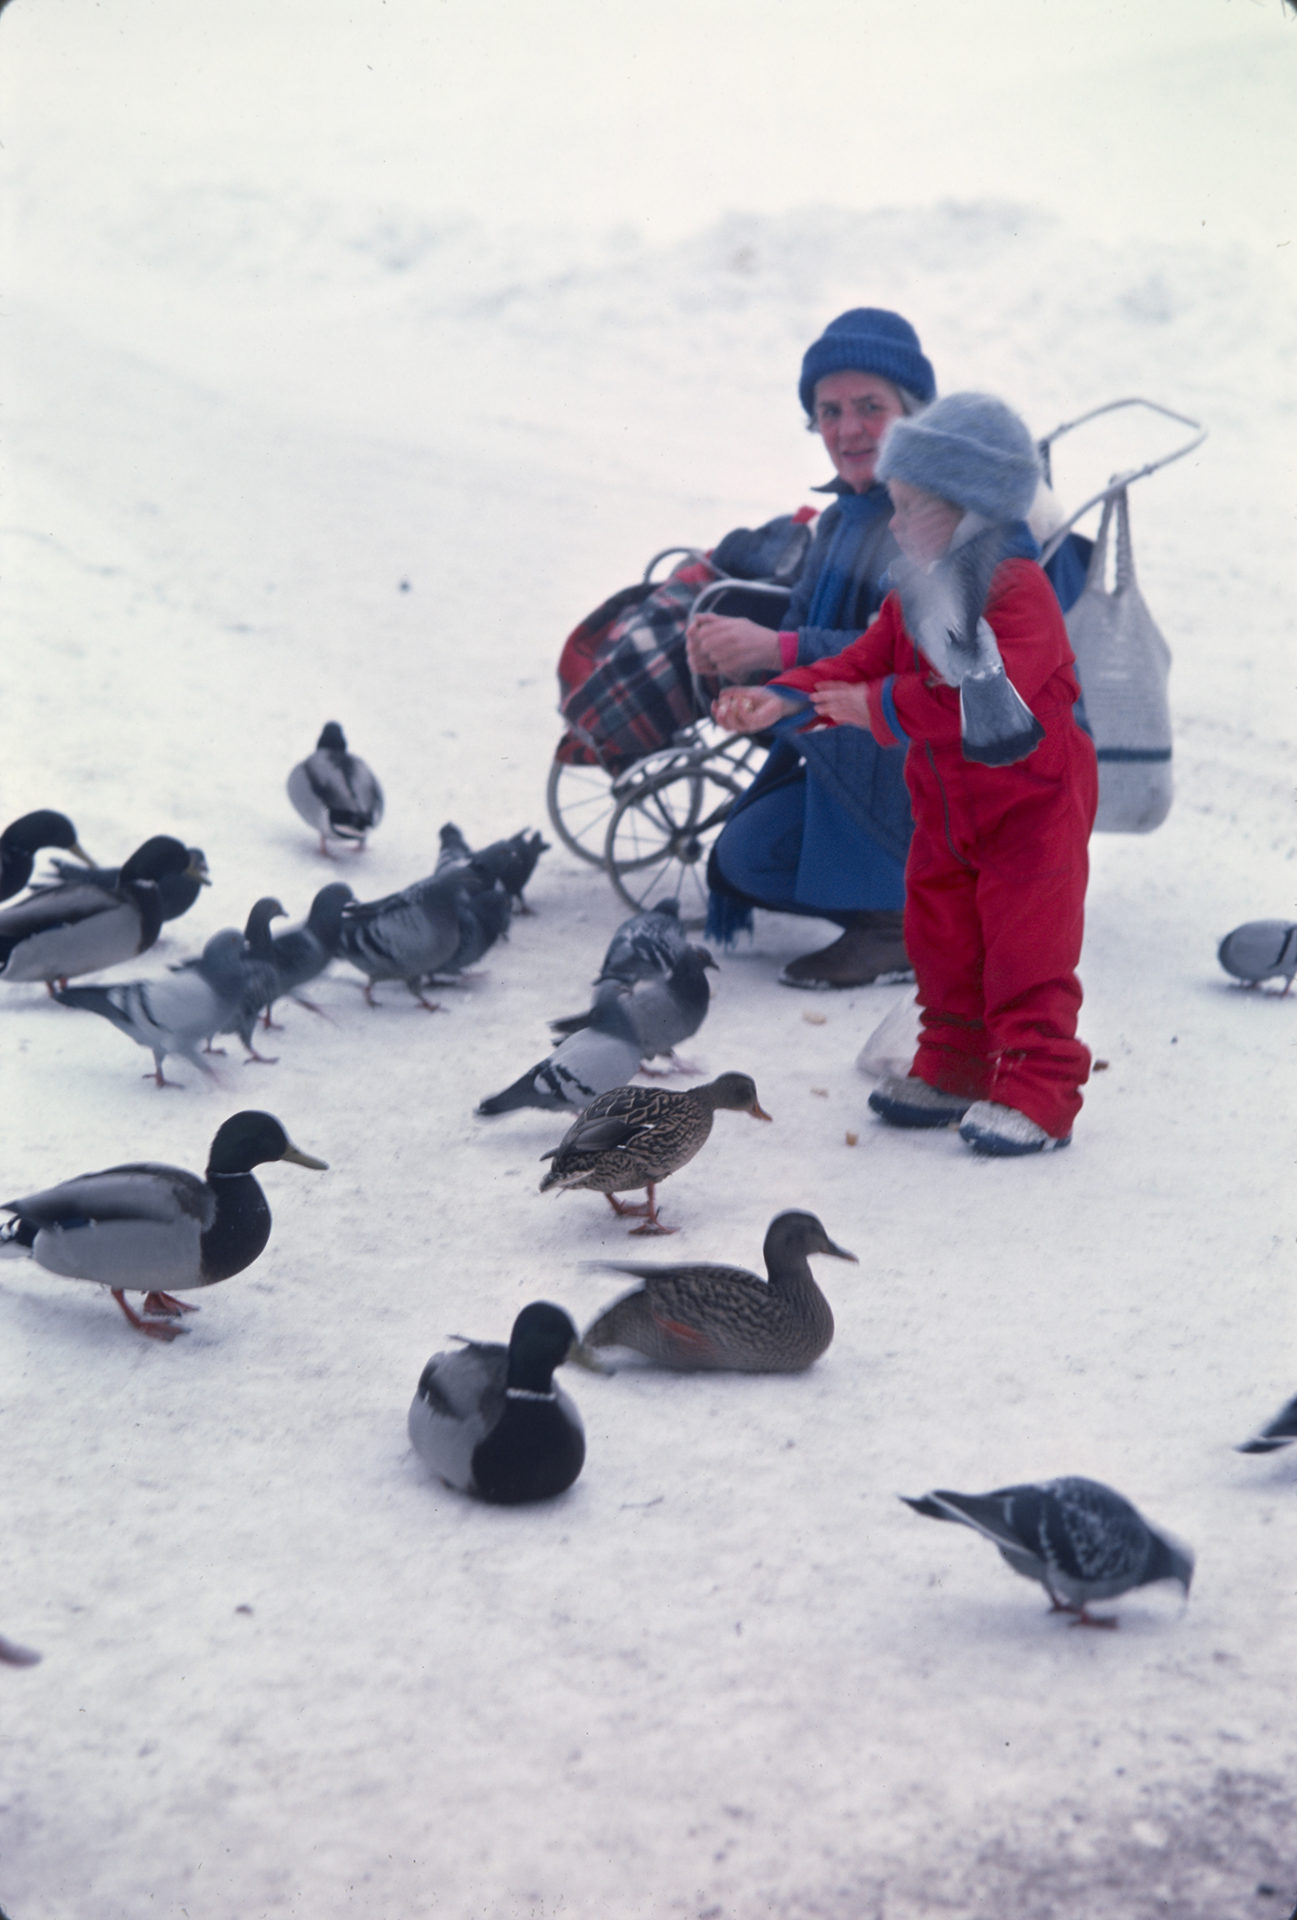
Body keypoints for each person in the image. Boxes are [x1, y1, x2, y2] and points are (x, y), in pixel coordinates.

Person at [712, 392, 1098, 1157]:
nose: (894, 523)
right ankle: (955, 1067)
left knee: (1026, 951)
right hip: (947, 812)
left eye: (912, 508)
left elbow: (995, 697)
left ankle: (1038, 1091)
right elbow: (863, 660)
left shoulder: (1018, 593)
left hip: (1032, 809)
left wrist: (876, 705)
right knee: (942, 940)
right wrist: (781, 697)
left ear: (971, 511)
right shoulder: (915, 593)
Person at [687, 307, 936, 988]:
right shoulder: (838, 520)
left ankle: (905, 923)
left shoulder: (936, 514)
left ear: (911, 412)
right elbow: (797, 635)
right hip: (852, 736)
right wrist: (745, 666)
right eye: (828, 411)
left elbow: (920, 651)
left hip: (932, 749)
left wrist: (778, 647)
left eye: (868, 406)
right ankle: (893, 901)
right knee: (744, 860)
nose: (846, 428)